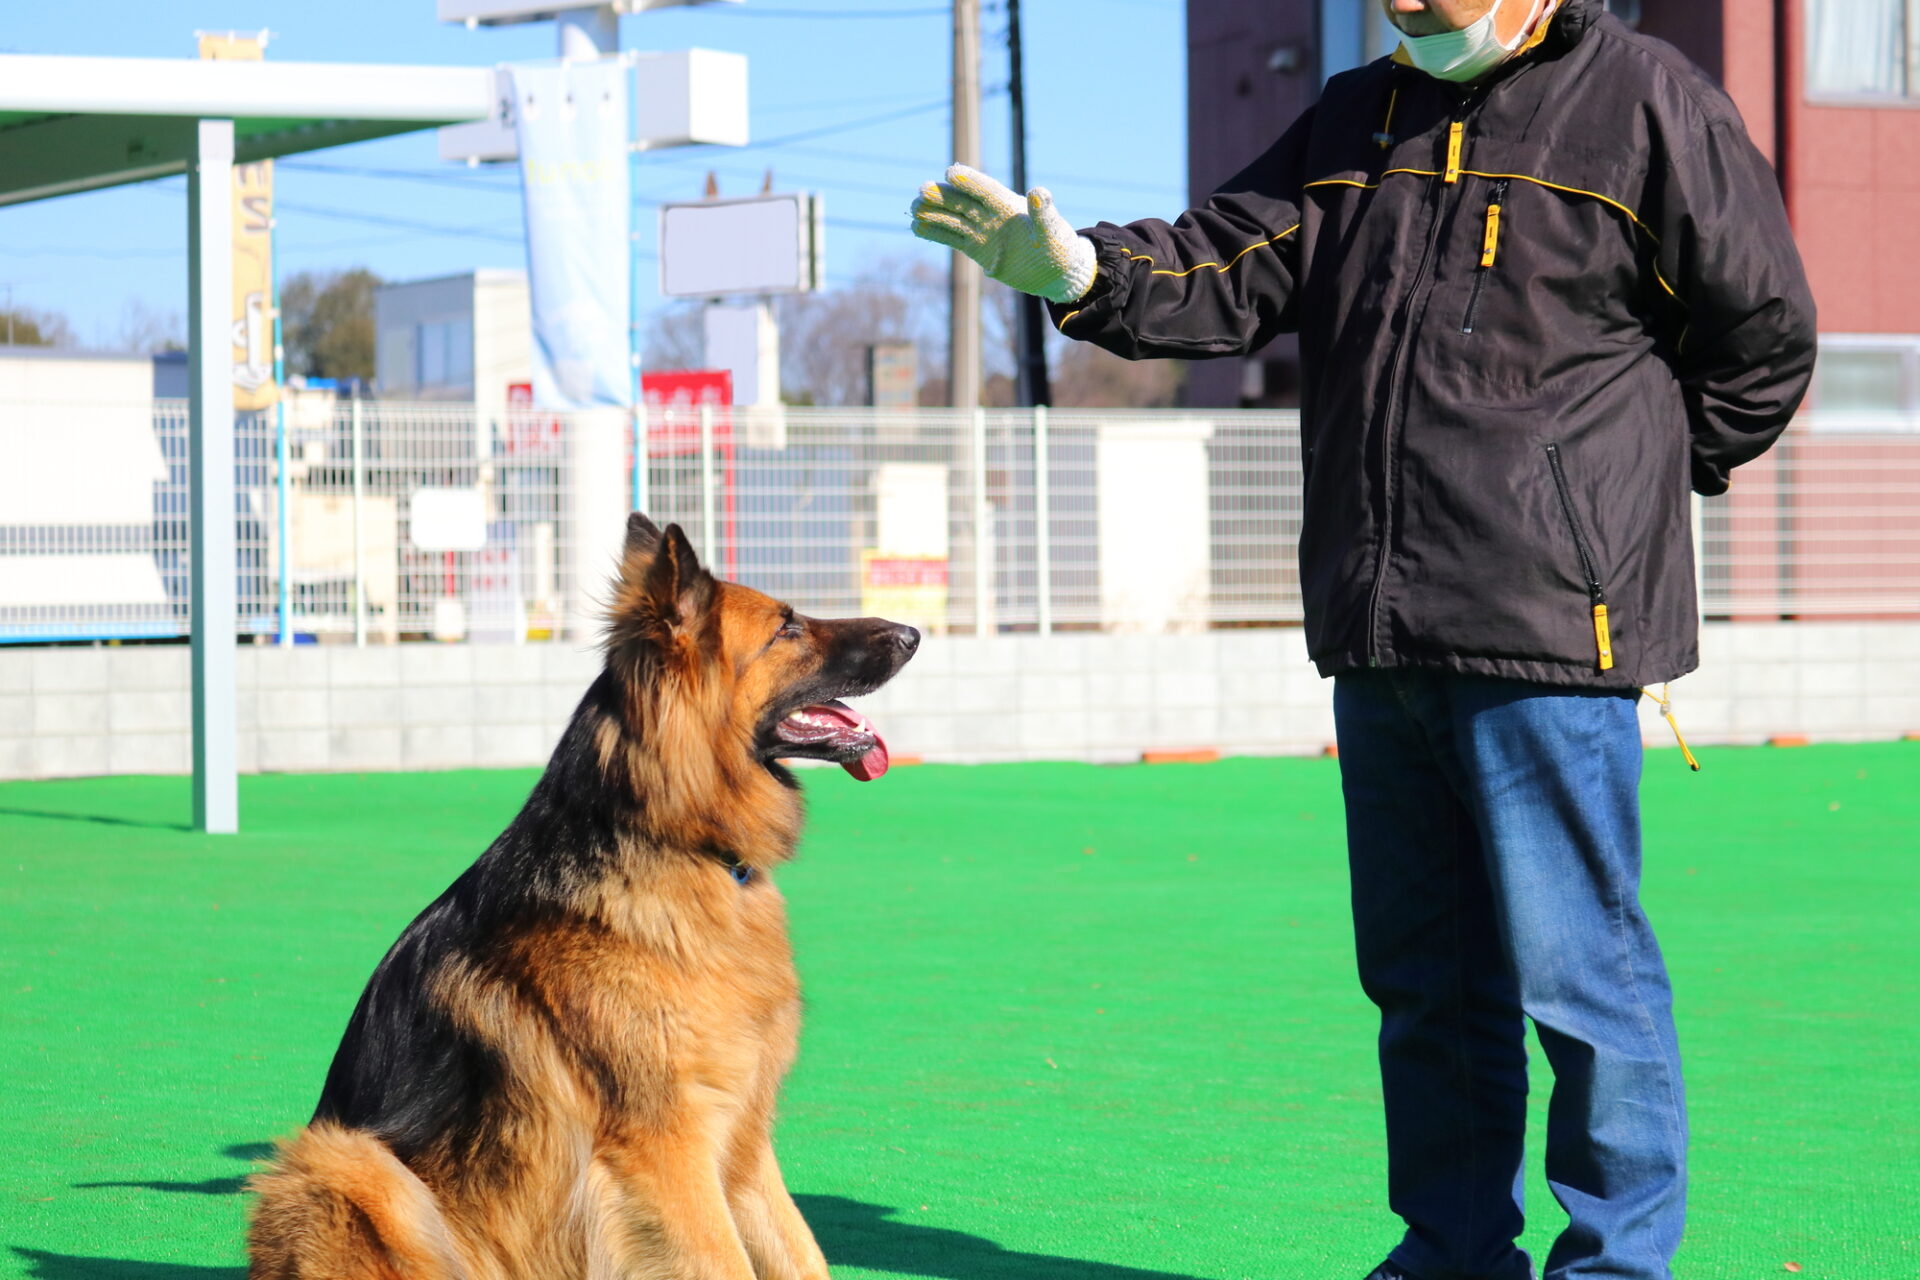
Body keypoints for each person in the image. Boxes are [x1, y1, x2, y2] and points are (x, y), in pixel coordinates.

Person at [910, 2, 1816, 1278]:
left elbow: (1764, 336)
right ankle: (1450, 1249)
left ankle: (1615, 1260)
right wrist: (1079, 272)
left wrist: (1613, 501)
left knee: (1581, 977)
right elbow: (1228, 264)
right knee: (1425, 982)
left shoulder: (1648, 104)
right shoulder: (1359, 115)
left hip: (1551, 624)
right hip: (1382, 621)